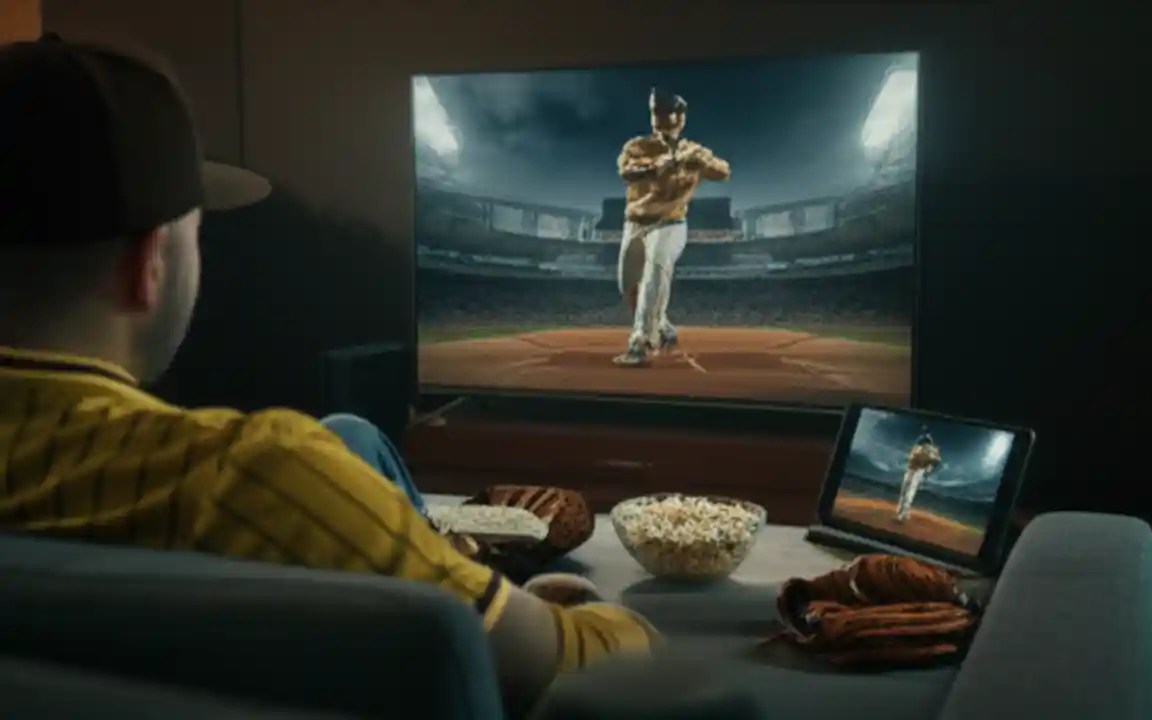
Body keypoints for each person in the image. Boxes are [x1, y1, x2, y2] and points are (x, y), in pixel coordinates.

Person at [0, 35, 658, 711]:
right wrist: (592, 607)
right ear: (149, 265)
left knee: (351, 435)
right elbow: (582, 660)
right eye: (194, 234)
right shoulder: (256, 476)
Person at [613, 87, 730, 367]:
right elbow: (627, 173)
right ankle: (664, 328)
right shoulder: (637, 146)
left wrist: (702, 161)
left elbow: (724, 172)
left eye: (666, 112)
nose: (659, 117)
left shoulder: (694, 150)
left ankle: (640, 344)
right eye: (656, 111)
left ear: (680, 118)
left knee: (654, 274)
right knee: (628, 285)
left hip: (671, 223)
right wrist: (661, 165)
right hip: (635, 223)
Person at [896, 427, 941, 522]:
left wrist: (929, 466)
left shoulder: (928, 446)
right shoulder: (919, 445)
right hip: (912, 469)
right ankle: (903, 512)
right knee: (905, 492)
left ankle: (902, 514)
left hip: (917, 471)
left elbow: (936, 461)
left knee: (908, 493)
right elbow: (914, 456)